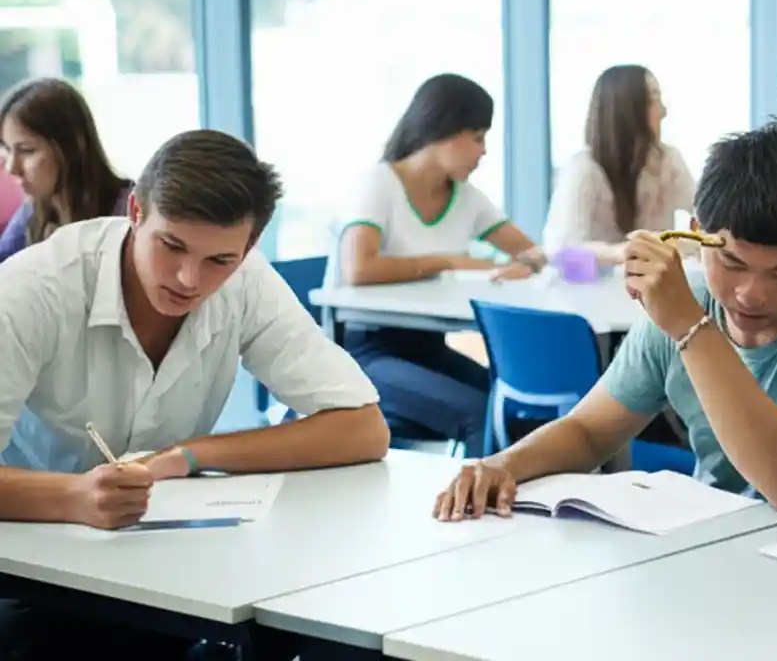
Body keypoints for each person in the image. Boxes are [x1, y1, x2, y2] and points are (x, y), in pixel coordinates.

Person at [0, 129, 388, 656]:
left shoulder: (247, 281)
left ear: (249, 247)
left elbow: (363, 428)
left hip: (168, 568)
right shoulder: (33, 289)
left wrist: (190, 455)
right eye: (172, 246)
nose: (188, 278)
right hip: (30, 573)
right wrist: (72, 497)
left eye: (218, 261)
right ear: (136, 210)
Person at [433, 122, 777, 519]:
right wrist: (502, 464)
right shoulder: (689, 301)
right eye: (732, 264)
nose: (752, 292)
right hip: (707, 540)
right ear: (697, 234)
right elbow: (589, 432)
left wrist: (690, 327)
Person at [336, 73, 546, 456]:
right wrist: (448, 261)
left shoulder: (466, 197)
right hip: (368, 352)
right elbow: (358, 269)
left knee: (511, 404)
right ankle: (475, 509)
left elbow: (534, 252)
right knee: (480, 412)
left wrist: (525, 266)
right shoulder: (379, 184)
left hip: (426, 349)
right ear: (445, 129)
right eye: (478, 137)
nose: (484, 152)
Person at [542, 65, 695, 264]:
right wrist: (624, 252)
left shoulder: (668, 160)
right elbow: (559, 248)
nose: (664, 112)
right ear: (628, 110)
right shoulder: (584, 168)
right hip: (594, 289)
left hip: (653, 287)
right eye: (655, 100)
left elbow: (703, 213)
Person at [0, 78, 132, 264]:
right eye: (6, 148)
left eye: (27, 150)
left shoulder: (128, 214)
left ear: (72, 147)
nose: (12, 168)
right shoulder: (32, 214)